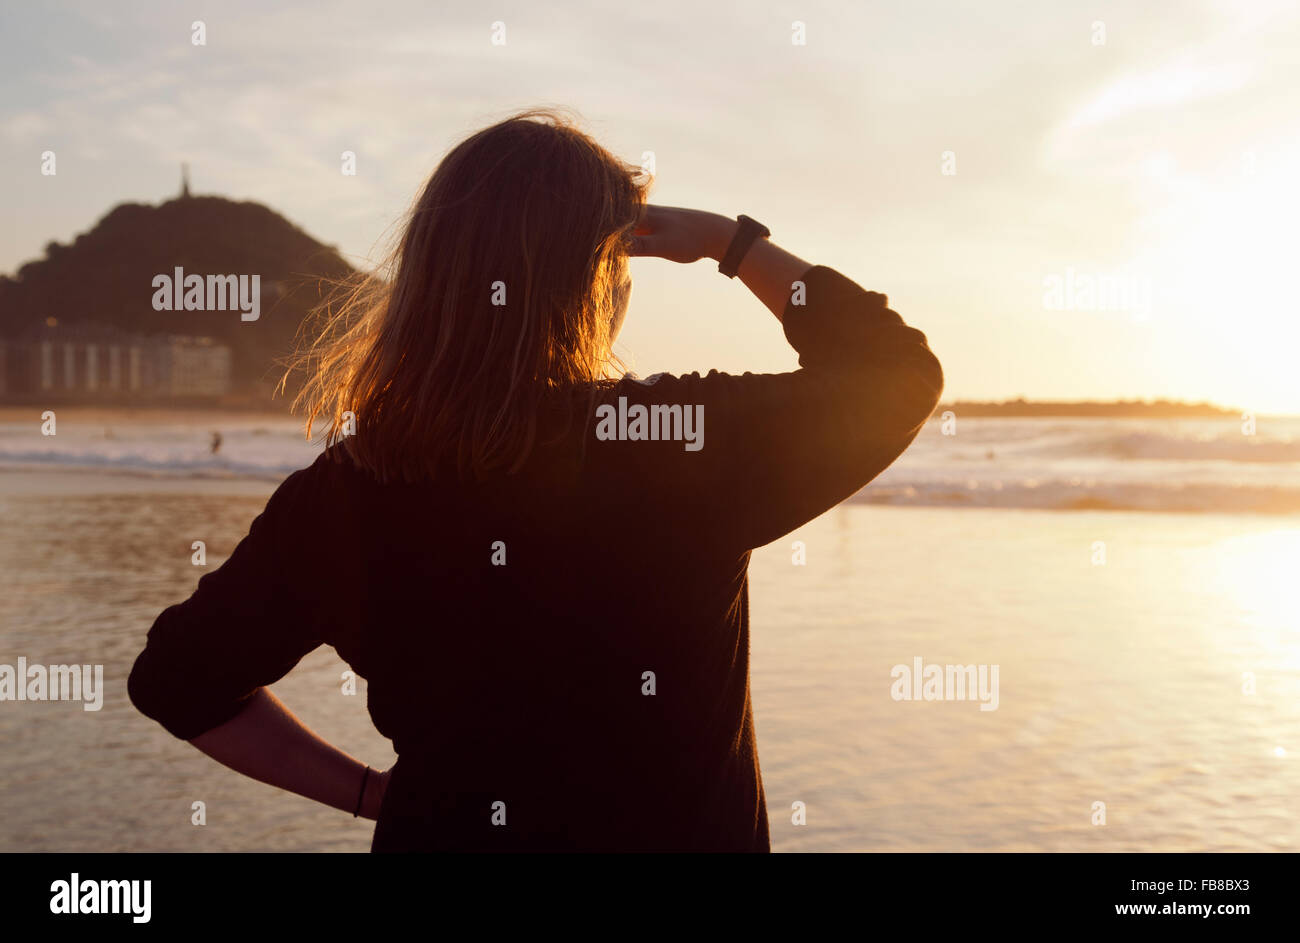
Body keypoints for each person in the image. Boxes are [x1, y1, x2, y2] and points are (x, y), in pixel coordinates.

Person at [127, 109, 943, 852]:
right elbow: (897, 377)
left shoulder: (347, 489)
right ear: (597, 278)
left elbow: (178, 680)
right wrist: (732, 244)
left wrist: (374, 795)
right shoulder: (674, 443)